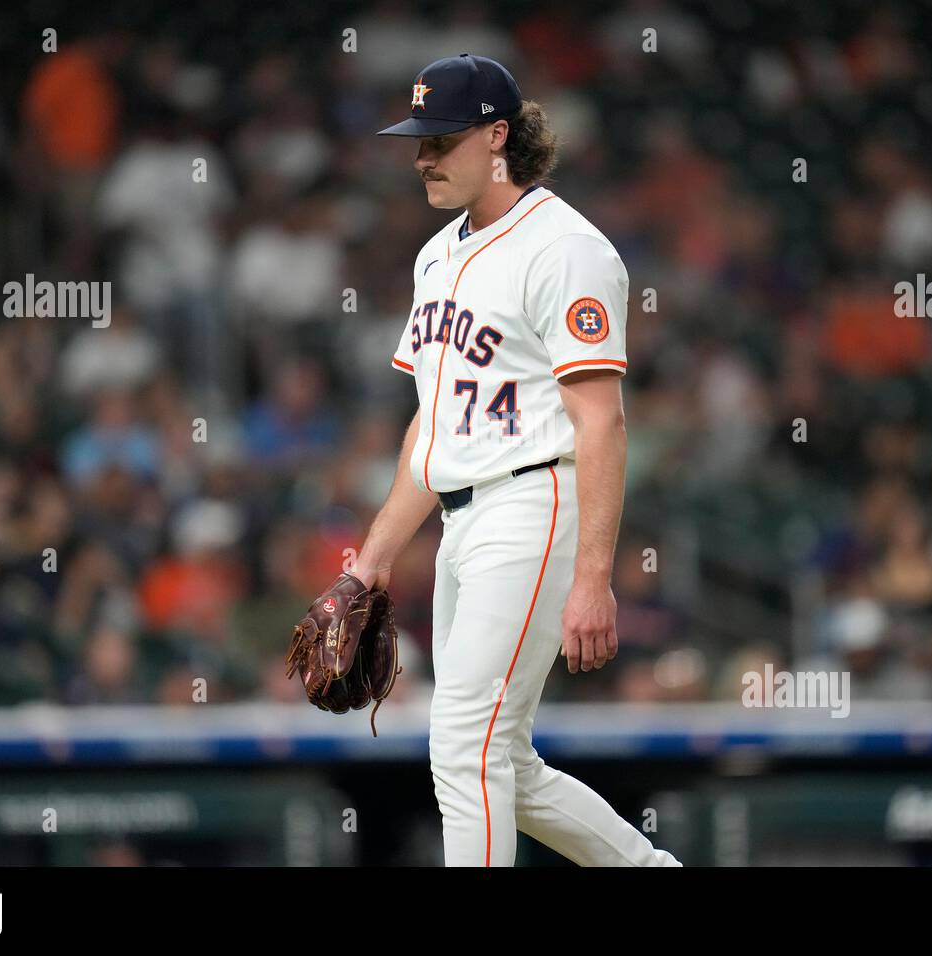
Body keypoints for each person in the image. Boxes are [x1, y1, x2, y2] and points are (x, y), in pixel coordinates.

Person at [351, 53, 679, 867]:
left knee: (465, 748)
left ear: (498, 137)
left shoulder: (567, 248)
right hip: (464, 519)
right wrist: (375, 558)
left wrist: (594, 576)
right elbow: (433, 425)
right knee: (503, 763)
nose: (422, 156)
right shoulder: (436, 256)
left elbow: (600, 420)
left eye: (442, 139)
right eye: (417, 140)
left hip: (536, 502)